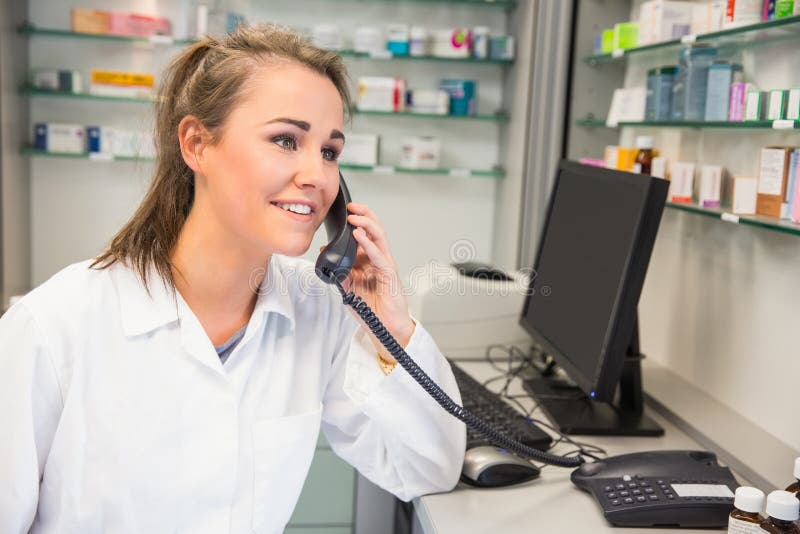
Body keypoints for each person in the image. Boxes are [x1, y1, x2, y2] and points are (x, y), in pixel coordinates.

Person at [0, 24, 465, 534]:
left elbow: (425, 470)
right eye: (286, 140)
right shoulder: (53, 327)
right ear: (197, 144)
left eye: (330, 152)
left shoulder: (319, 311)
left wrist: (391, 327)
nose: (317, 176)